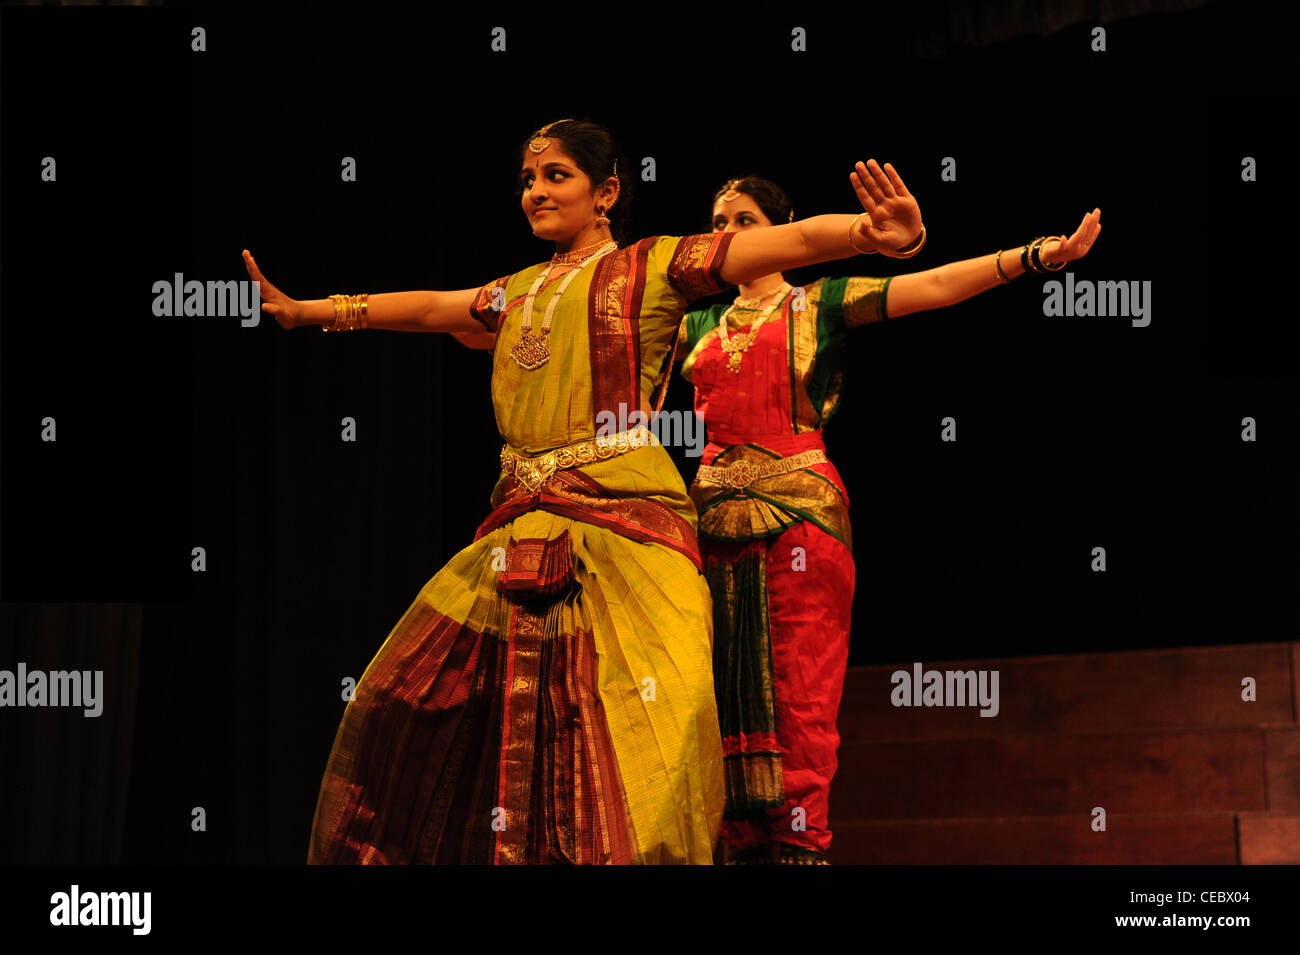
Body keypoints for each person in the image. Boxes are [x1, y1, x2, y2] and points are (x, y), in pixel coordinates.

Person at [242, 120, 926, 864]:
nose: (535, 192)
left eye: (556, 176)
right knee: (404, 699)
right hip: (519, 526)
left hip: (629, 526)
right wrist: (317, 311)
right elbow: (436, 308)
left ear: (606, 193)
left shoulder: (653, 266)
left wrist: (873, 234)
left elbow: (785, 244)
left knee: (653, 728)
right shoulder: (518, 290)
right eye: (527, 181)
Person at [675, 175, 1101, 864]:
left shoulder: (818, 303)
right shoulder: (692, 325)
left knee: (799, 695)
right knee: (711, 702)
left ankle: (800, 845)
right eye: (718, 222)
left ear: (785, 228)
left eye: (745, 220)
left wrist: (1035, 256)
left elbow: (933, 286)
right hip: (707, 526)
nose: (728, 234)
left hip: (799, 516)